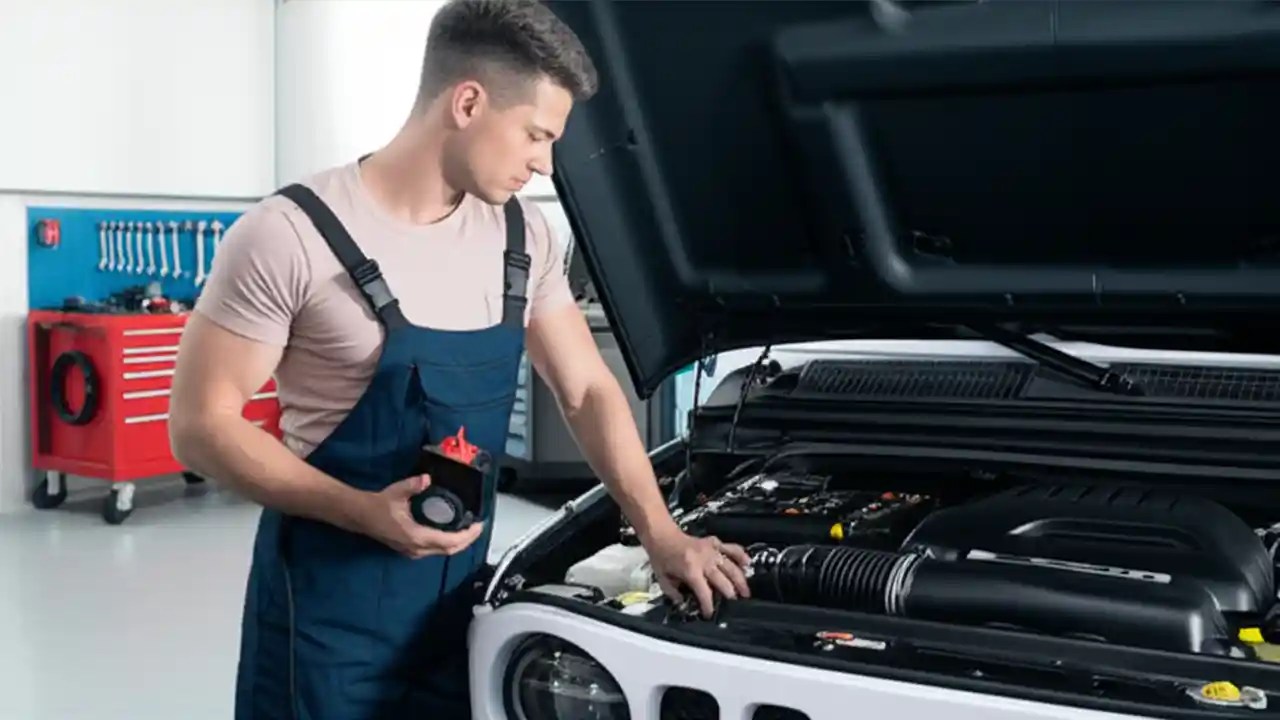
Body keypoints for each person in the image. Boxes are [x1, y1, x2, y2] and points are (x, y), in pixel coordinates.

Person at [167, 0, 751, 718]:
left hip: (456, 617)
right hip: (324, 628)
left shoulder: (521, 235)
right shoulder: (291, 236)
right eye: (536, 135)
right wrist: (358, 511)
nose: (544, 162)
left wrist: (662, 534)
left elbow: (587, 391)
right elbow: (200, 426)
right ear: (469, 102)